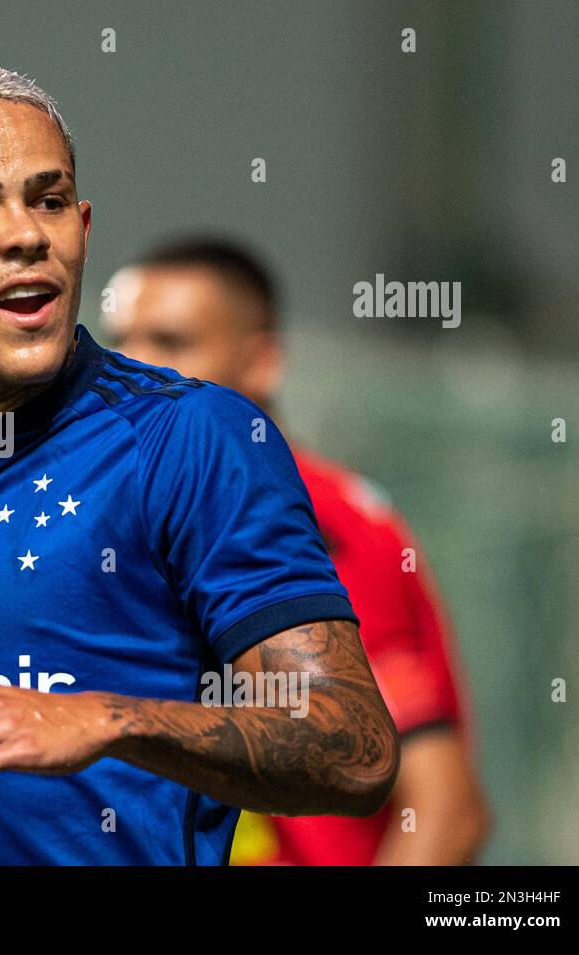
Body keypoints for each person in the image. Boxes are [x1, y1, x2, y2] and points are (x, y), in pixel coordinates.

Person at [0, 64, 398, 865]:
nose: (25, 233)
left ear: (82, 223)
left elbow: (352, 746)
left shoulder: (191, 437)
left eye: (48, 200)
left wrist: (107, 717)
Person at [104, 236, 490, 864]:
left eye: (171, 343)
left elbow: (447, 811)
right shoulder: (143, 512)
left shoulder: (319, 519)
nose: (136, 369)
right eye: (121, 341)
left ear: (262, 361)